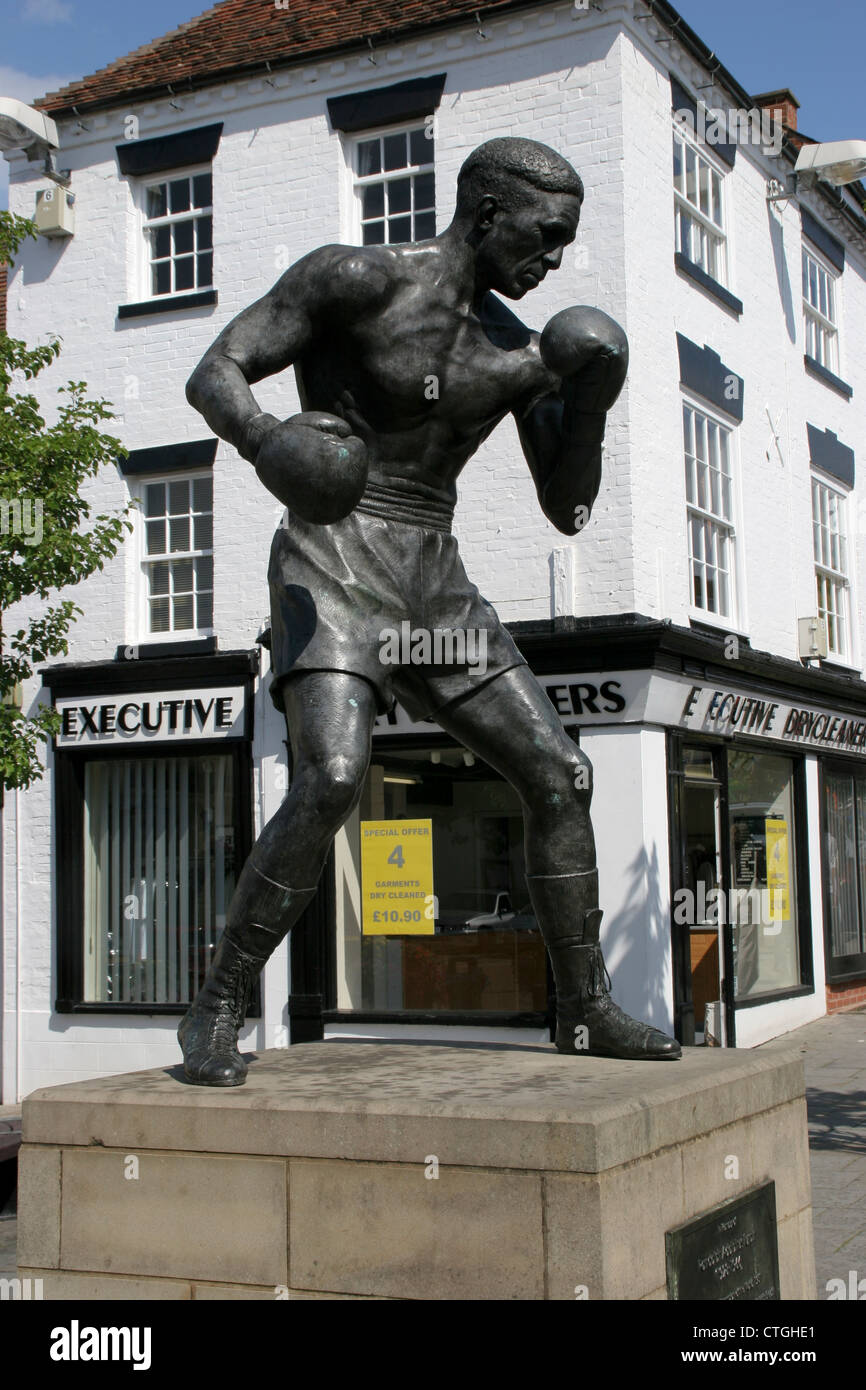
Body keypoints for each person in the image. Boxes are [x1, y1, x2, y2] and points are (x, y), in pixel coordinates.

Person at [179, 136, 681, 1084]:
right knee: (330, 777)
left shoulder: (519, 350)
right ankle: (219, 1004)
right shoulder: (356, 279)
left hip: (432, 574)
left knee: (561, 772)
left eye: (565, 244)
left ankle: (586, 1010)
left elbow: (566, 511)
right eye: (545, 236)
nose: (555, 260)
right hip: (332, 551)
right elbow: (216, 370)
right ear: (488, 215)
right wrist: (266, 441)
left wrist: (593, 403)